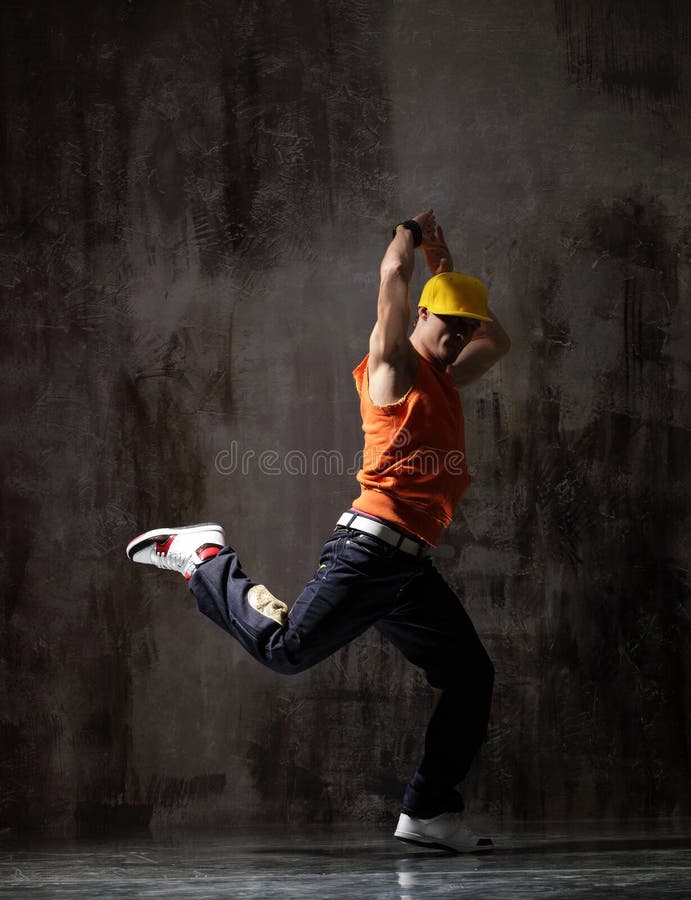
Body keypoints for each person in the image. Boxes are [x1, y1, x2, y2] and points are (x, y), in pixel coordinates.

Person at [126, 208, 511, 852]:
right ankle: (205, 557)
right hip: (369, 552)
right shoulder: (395, 369)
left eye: (463, 328)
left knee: (470, 676)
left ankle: (427, 813)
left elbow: (497, 344)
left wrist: (450, 277)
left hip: (408, 570)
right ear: (420, 318)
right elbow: (392, 271)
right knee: (287, 652)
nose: (459, 337)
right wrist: (410, 235)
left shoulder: (447, 377)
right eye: (449, 326)